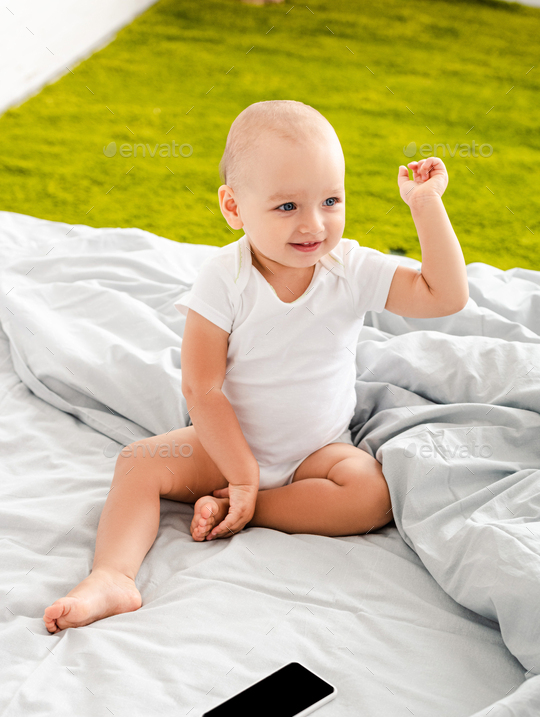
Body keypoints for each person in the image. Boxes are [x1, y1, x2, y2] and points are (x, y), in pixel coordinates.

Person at [43, 99, 469, 633]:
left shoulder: (351, 268)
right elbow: (202, 388)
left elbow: (444, 295)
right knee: (137, 463)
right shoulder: (224, 278)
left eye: (331, 200)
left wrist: (426, 205)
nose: (314, 224)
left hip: (316, 452)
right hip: (224, 449)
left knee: (369, 494)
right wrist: (240, 472)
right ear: (234, 208)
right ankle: (112, 576)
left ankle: (247, 508)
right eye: (287, 207)